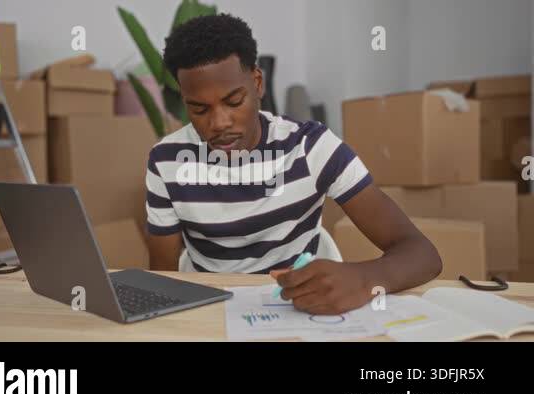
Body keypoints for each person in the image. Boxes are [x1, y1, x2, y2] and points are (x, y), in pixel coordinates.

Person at [145, 14, 442, 315]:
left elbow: (422, 254)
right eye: (199, 109)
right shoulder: (166, 161)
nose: (219, 123)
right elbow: (163, 277)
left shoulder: (312, 148)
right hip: (208, 310)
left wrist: (365, 278)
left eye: (234, 101)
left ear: (257, 83)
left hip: (296, 309)